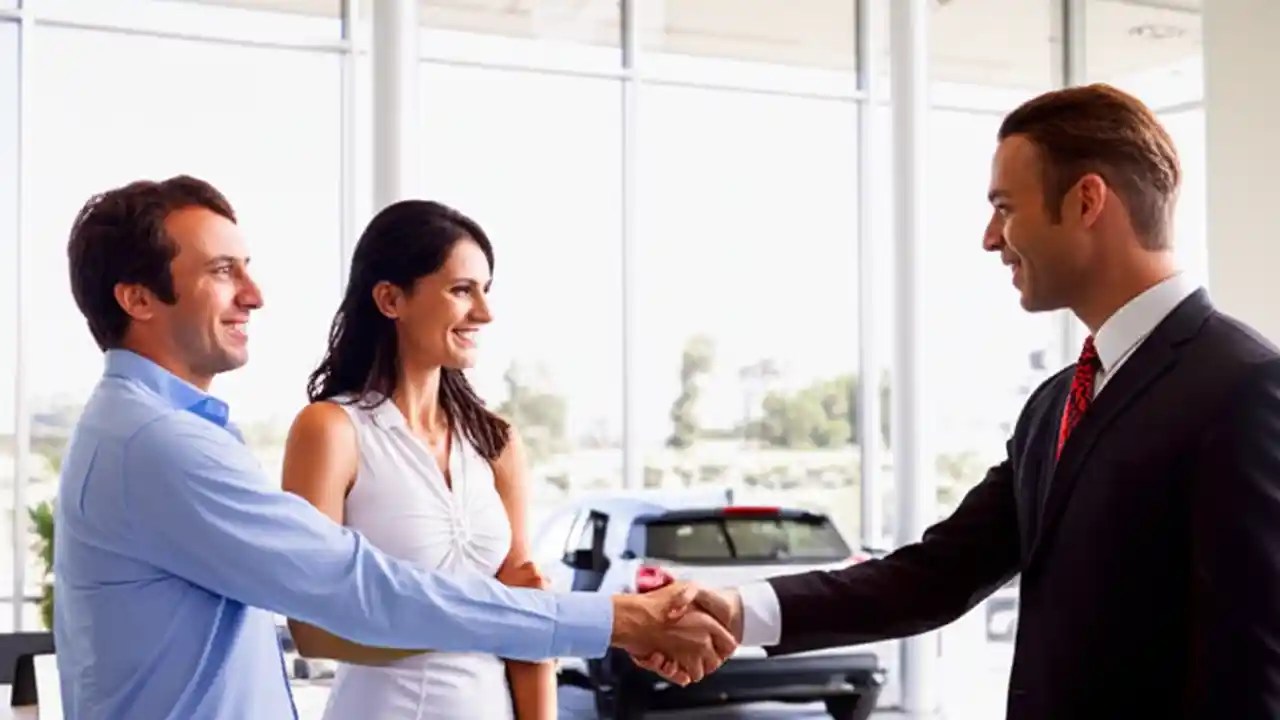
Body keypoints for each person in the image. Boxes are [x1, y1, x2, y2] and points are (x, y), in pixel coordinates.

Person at [657, 84, 1280, 718]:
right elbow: (937, 574)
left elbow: (1256, 668)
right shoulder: (1055, 403)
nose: (990, 238)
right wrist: (739, 611)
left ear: (1088, 200)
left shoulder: (1244, 388)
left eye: (1005, 207)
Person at [53, 176, 736, 720]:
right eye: (223, 271)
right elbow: (349, 594)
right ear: (139, 298)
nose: (255, 295)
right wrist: (615, 620)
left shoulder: (170, 430)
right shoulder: (160, 443)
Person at [278, 199, 557, 719]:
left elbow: (531, 617)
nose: (485, 312)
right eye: (461, 290)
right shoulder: (331, 431)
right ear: (390, 299)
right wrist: (488, 616)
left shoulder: (497, 442)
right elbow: (312, 628)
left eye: (485, 290)